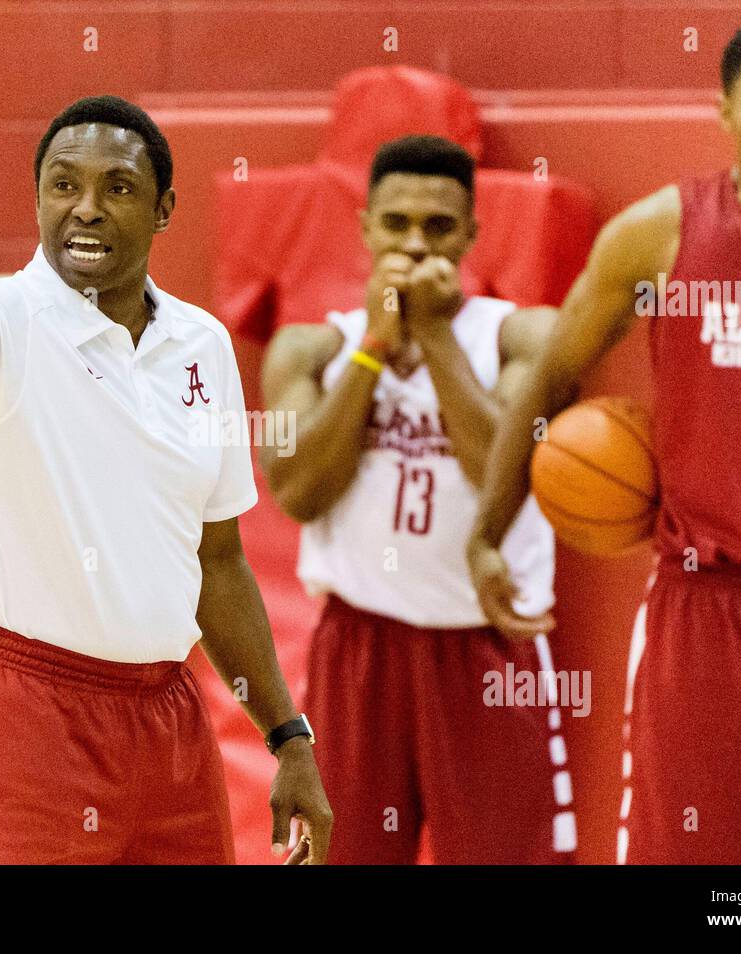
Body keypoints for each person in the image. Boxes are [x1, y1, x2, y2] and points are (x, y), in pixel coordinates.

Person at [0, 93, 332, 864]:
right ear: (38, 199)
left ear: (162, 209)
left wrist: (287, 737)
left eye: (116, 189)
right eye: (64, 186)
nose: (85, 209)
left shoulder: (204, 346)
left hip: (166, 712)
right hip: (26, 711)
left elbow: (218, 562)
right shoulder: (6, 320)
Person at [468, 11, 741, 864]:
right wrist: (487, 531)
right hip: (703, 611)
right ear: (725, 109)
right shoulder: (659, 233)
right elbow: (552, 372)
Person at [260, 135, 574, 864]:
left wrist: (432, 333)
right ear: (365, 226)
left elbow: (501, 467)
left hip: (486, 649)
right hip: (359, 650)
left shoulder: (524, 336)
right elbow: (299, 492)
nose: (414, 243)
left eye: (438, 227)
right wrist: (374, 345)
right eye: (396, 223)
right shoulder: (311, 348)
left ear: (471, 234)